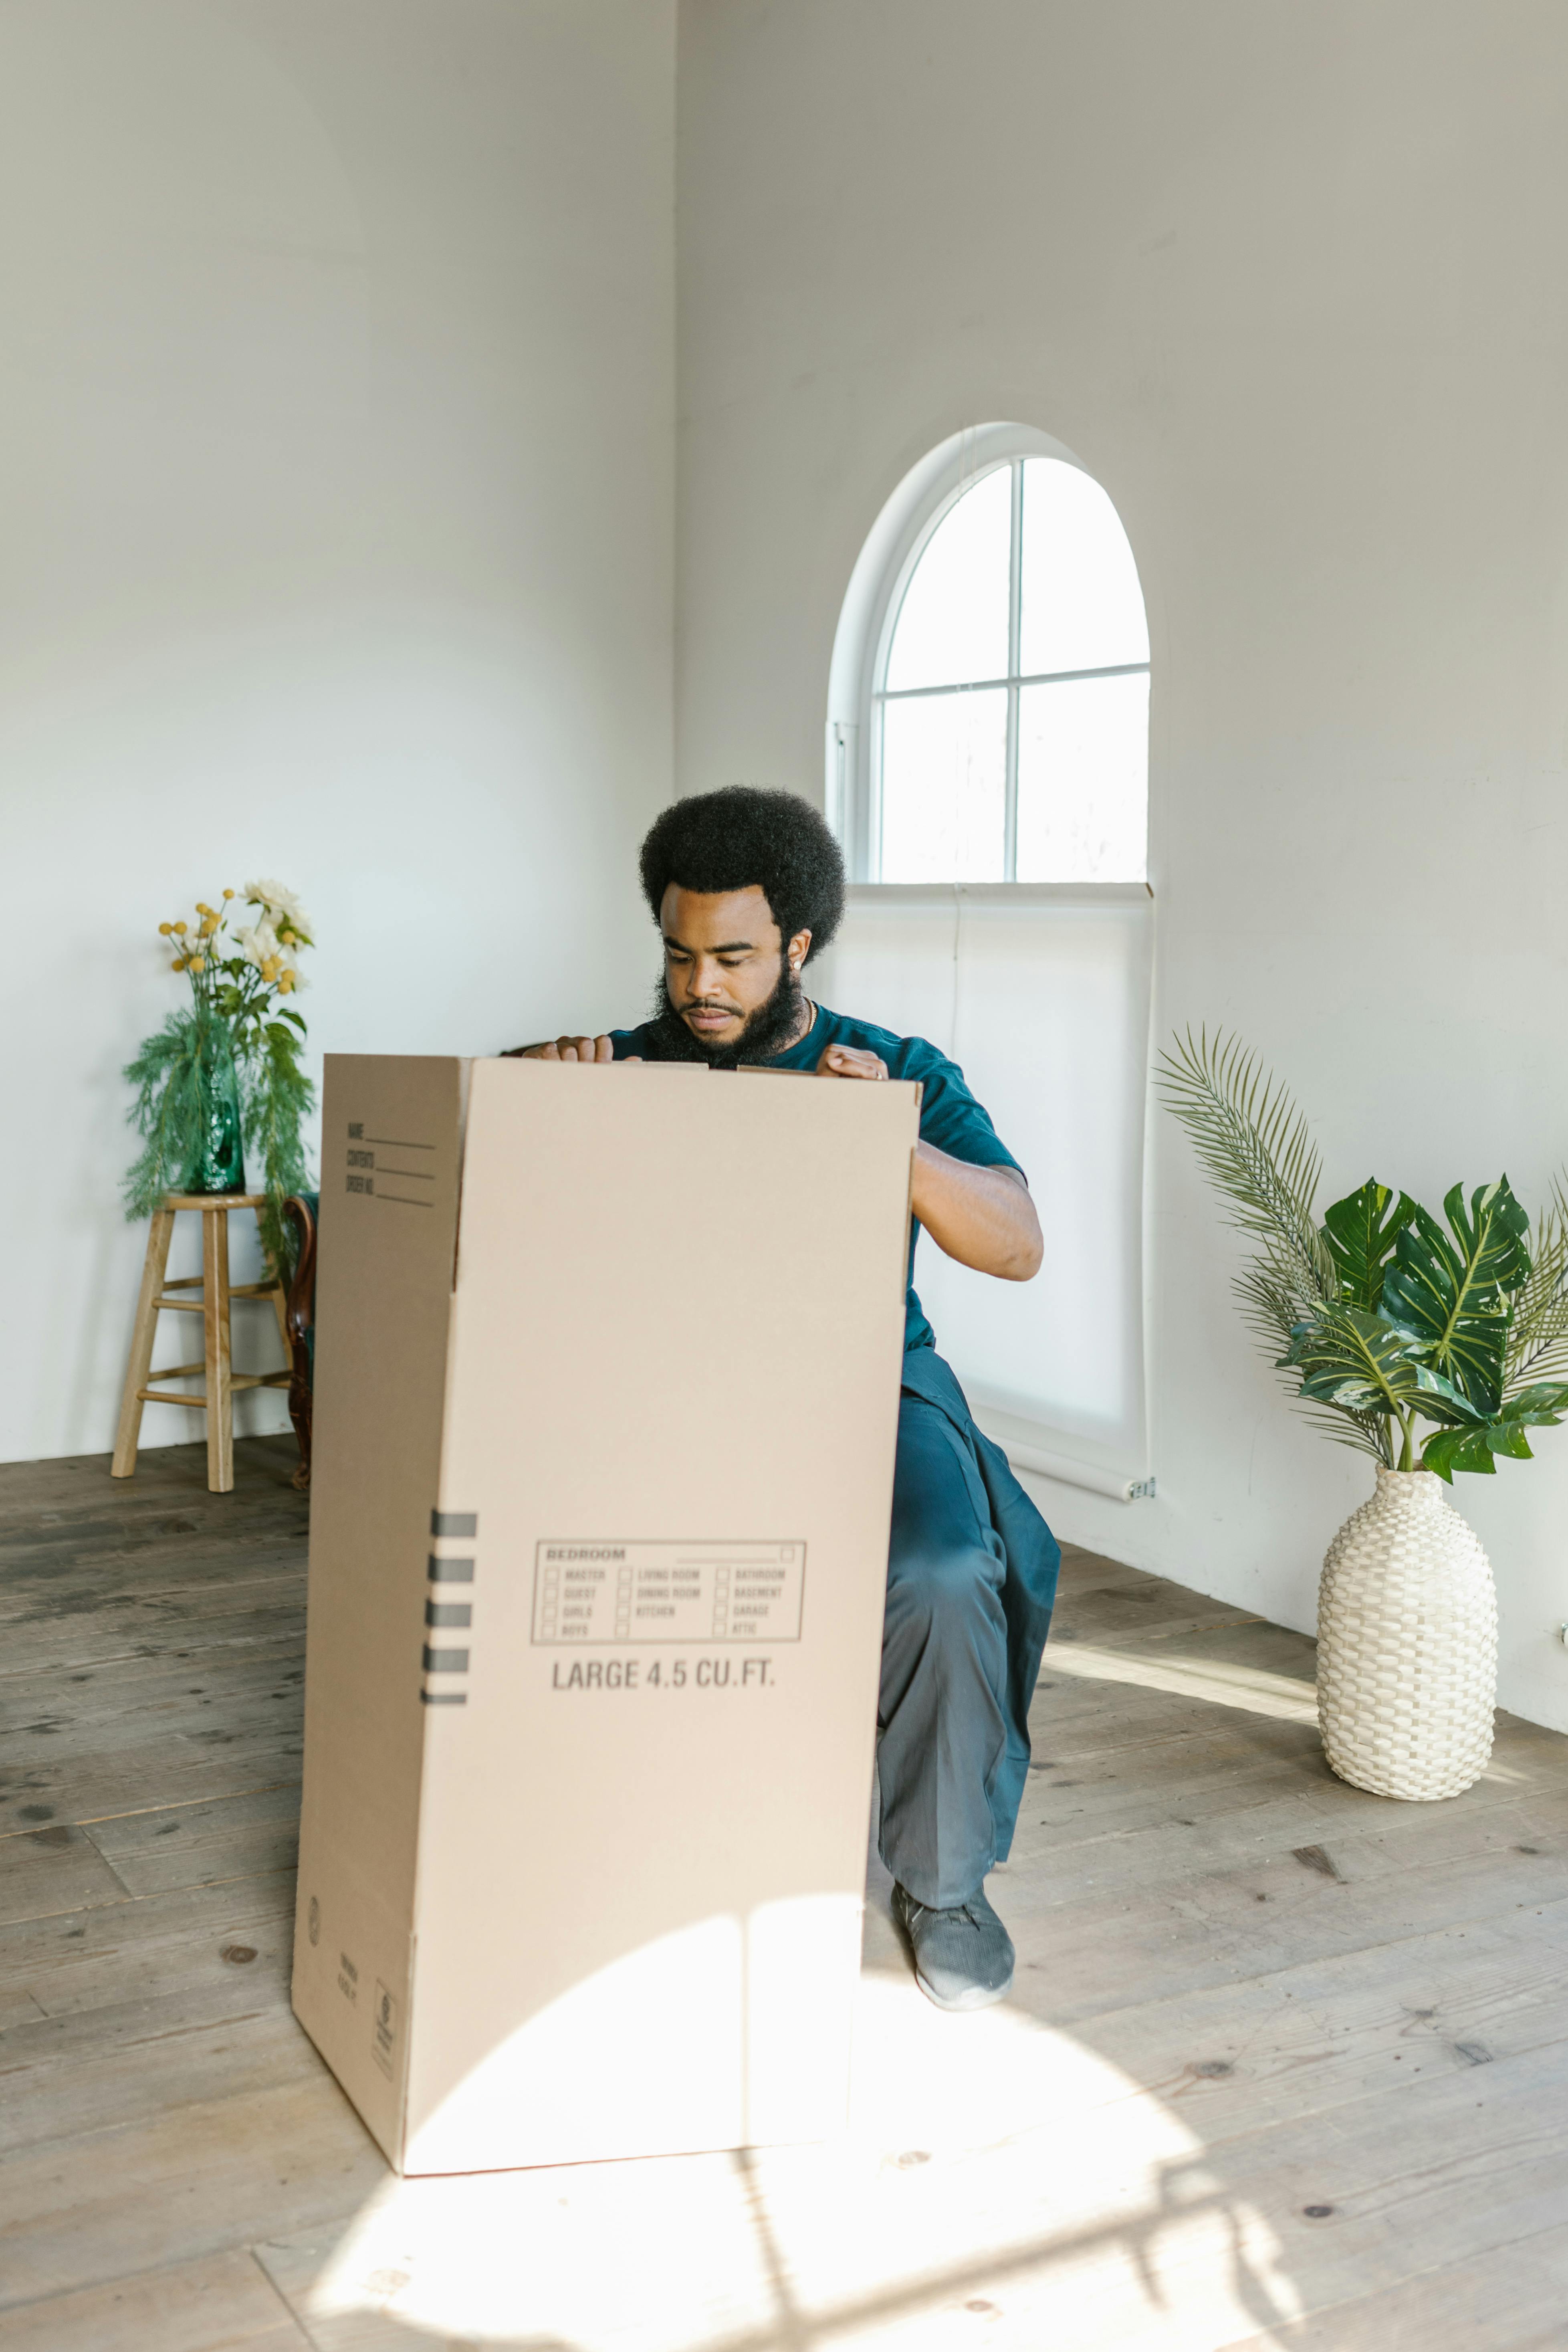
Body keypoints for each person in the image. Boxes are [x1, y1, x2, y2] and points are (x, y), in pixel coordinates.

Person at [511, 785, 1059, 2011]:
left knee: (944, 1567)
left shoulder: (899, 1071)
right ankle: (578, 1829)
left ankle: (940, 1879)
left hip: (865, 1375)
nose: (699, 983)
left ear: (799, 946)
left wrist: (891, 1143)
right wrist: (538, 1109)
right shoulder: (619, 1065)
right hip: (663, 1386)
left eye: (733, 957)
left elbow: (1016, 1242)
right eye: (678, 953)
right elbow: (477, 1210)